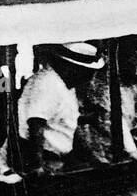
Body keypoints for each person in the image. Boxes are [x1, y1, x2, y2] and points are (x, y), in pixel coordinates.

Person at [17, 42, 105, 176]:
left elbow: (64, 120)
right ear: (72, 68)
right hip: (43, 157)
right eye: (87, 72)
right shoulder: (48, 83)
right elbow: (36, 123)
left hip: (58, 155)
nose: (89, 78)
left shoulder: (66, 84)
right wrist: (37, 165)